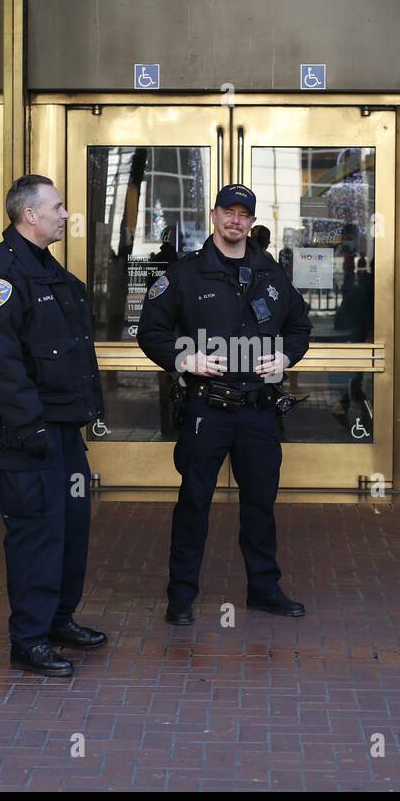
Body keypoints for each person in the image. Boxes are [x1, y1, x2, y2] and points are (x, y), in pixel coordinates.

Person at [137, 183, 312, 625]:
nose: (235, 221)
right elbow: (150, 331)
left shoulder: (270, 273)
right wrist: (184, 358)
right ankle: (180, 597)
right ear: (214, 215)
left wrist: (287, 356)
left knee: (260, 503)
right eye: (228, 212)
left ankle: (264, 589)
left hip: (258, 409)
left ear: (252, 221)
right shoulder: (184, 274)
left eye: (244, 214)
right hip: (206, 409)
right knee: (194, 502)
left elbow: (299, 326)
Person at [0, 174, 107, 678]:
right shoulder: (0, 276)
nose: (66, 214)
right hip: (32, 434)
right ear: (30, 215)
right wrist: (32, 428)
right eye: (59, 206)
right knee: (36, 535)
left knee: (70, 529)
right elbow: (2, 367)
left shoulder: (50, 273)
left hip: (64, 430)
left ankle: (58, 620)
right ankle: (28, 640)